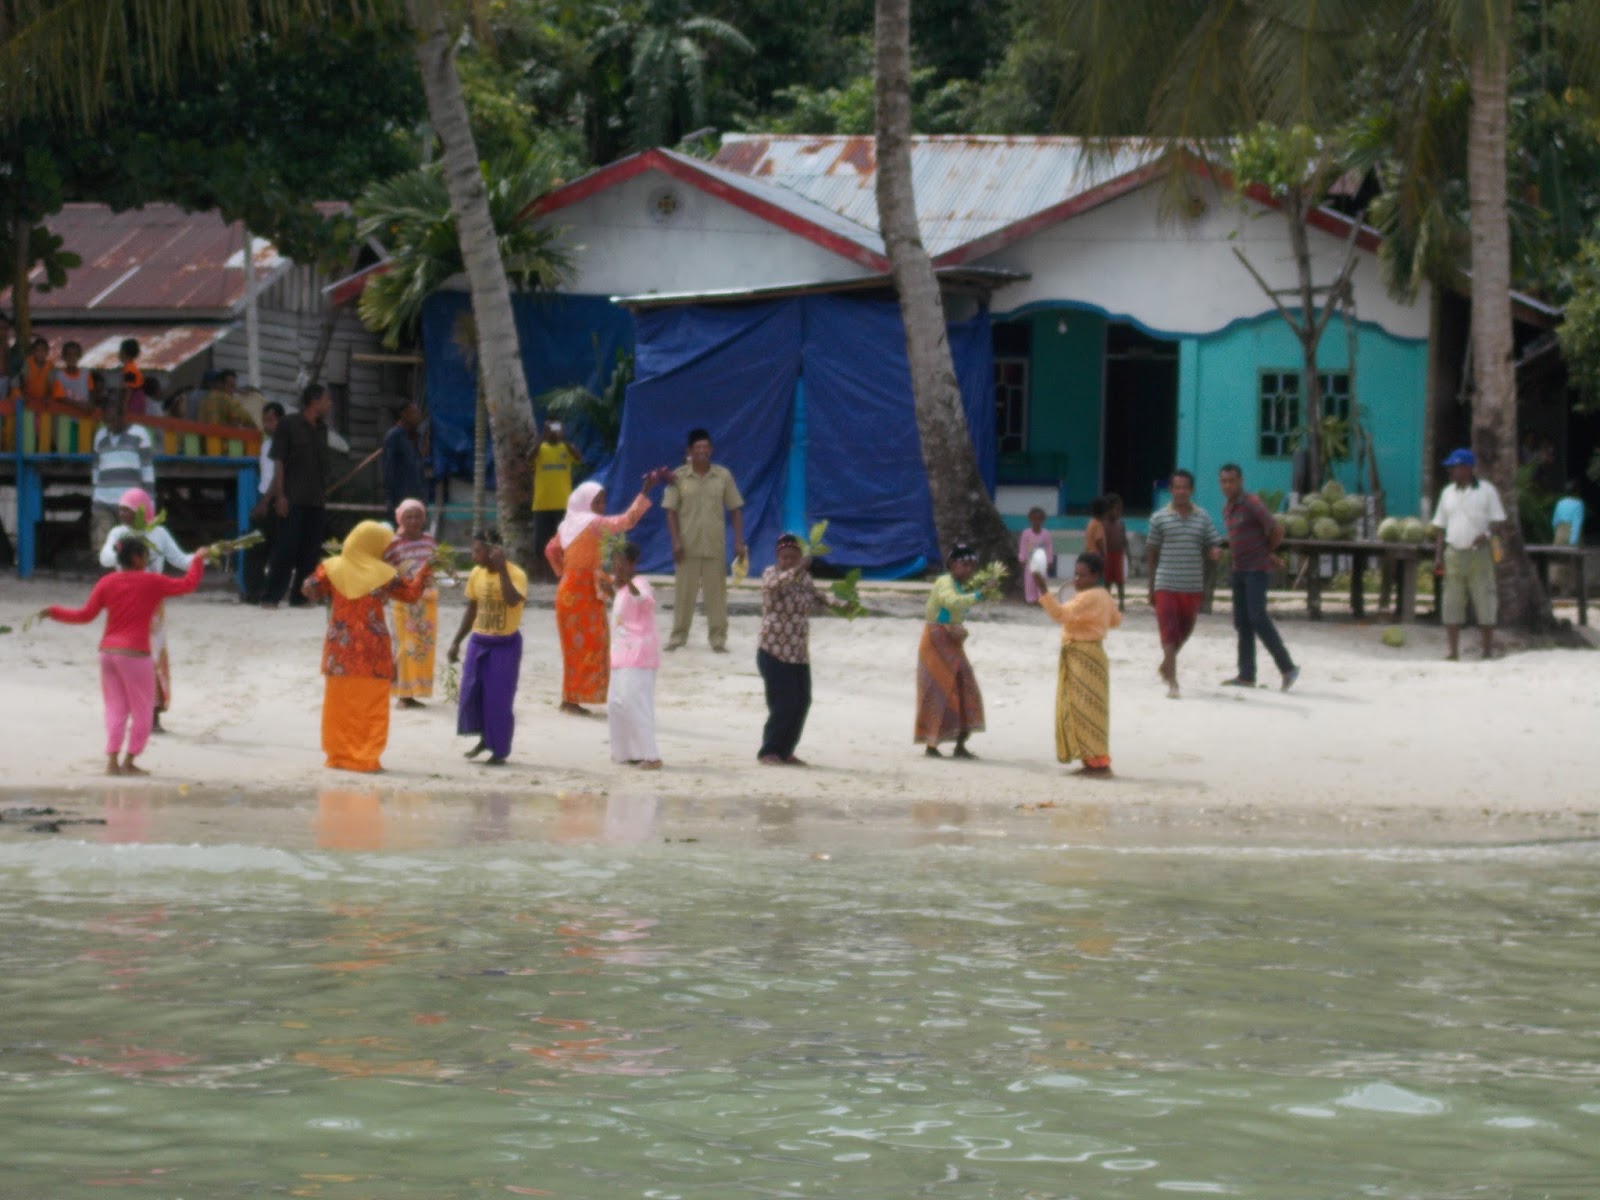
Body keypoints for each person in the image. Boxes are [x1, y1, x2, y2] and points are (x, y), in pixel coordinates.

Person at [38, 533, 208, 775]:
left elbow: (84, 615)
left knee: (115, 709)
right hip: (135, 654)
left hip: (107, 653)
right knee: (142, 710)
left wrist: (54, 612)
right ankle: (129, 762)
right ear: (137, 558)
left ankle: (111, 762)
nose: (148, 560)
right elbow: (187, 585)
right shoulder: (151, 582)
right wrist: (198, 560)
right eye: (146, 556)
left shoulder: (106, 583)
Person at [302, 520, 432, 773]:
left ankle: (338, 755)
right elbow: (411, 594)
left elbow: (310, 590)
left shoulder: (331, 567)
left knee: (339, 704)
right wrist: (424, 572)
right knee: (371, 705)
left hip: (339, 648)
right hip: (373, 648)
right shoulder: (383, 573)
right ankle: (366, 756)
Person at [545, 471, 670, 715]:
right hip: (585, 594)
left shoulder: (566, 524)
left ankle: (570, 697)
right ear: (586, 502)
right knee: (594, 644)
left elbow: (550, 550)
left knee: (574, 647)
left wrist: (565, 573)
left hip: (568, 591)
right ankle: (574, 698)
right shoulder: (593, 524)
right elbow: (628, 520)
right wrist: (645, 491)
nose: (602, 506)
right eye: (598, 501)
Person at [97, 487, 195, 730]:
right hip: (125, 603)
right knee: (128, 655)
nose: (121, 514)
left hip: (152, 605)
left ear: (141, 511)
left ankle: (153, 713)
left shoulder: (158, 533)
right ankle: (131, 710)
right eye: (120, 509)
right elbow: (105, 558)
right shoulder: (119, 533)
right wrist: (123, 549)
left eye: (127, 510)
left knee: (153, 656)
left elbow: (181, 560)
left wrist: (204, 556)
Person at [757, 531, 845, 765]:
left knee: (802, 701)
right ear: (778, 558)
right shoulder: (770, 574)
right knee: (783, 702)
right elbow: (773, 586)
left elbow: (820, 598)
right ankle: (769, 750)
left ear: (799, 557)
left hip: (798, 653)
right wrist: (797, 570)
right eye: (784, 558)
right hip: (773, 650)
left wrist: (844, 606)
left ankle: (786, 751)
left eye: (793, 558)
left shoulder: (805, 580)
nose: (787, 562)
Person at [1032, 551, 1122, 776]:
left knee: (1082, 708)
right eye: (1076, 575)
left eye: (1081, 576)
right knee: (1094, 710)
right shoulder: (1104, 595)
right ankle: (1097, 760)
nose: (1076, 580)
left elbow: (1059, 614)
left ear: (1095, 576)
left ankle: (1095, 763)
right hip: (1096, 654)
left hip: (1081, 655)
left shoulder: (1088, 597)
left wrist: (1043, 589)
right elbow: (1115, 621)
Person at [448, 528, 527, 766]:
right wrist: (456, 641)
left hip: (505, 645)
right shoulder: (476, 574)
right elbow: (472, 608)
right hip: (478, 641)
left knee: (499, 699)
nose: (474, 556)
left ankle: (499, 749)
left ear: (494, 552)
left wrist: (502, 569)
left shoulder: (516, 574)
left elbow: (513, 600)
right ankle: (484, 738)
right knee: (473, 693)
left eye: (478, 550)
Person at [663, 428, 746, 652]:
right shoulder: (678, 477)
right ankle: (678, 637)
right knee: (683, 593)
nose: (701, 451)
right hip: (686, 546)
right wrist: (675, 542)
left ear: (711, 449)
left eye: (705, 447)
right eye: (697, 447)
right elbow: (670, 511)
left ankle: (718, 639)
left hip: (714, 545)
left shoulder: (723, 476)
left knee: (716, 594)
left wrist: (739, 541)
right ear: (690, 451)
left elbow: (736, 508)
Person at [1218, 463, 1299, 691]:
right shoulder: (1228, 508)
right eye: (1223, 481)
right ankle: (1246, 675)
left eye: (1231, 481)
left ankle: (1288, 668)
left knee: (1257, 618)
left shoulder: (1252, 503)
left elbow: (1276, 530)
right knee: (1242, 623)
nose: (1227, 485)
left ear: (1240, 481)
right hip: (1238, 571)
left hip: (1255, 571)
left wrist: (1267, 552)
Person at [1146, 468, 1221, 699]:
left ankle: (1166, 664)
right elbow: (1152, 553)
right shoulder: (1159, 518)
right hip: (1165, 583)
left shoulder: (1203, 517)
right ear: (1170, 490)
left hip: (1192, 585)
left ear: (1191, 490)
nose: (1180, 492)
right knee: (1168, 631)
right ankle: (1173, 682)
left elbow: (1213, 542)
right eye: (1176, 487)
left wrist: (1215, 551)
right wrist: (1151, 586)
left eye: (1185, 488)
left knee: (1185, 630)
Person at [1431, 447, 1508, 661]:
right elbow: (1440, 527)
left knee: (1485, 599)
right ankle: (1452, 651)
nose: (1451, 472)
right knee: (1451, 601)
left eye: (1454, 467)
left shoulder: (1486, 491)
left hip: (1480, 553)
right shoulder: (1447, 493)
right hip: (1454, 552)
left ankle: (1487, 650)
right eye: (1450, 468)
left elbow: (1498, 521)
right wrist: (1438, 556)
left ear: (1467, 468)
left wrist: (1485, 534)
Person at [915, 544, 991, 759]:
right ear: (951, 565)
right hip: (936, 642)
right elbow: (952, 603)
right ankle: (931, 744)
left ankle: (960, 743)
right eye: (964, 565)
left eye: (972, 566)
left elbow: (956, 610)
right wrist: (979, 595)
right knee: (938, 691)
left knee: (965, 689)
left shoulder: (960, 585)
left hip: (952, 643)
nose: (969, 570)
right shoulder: (944, 582)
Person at [261, 383, 332, 608]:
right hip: (292, 498)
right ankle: (271, 597)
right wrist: (280, 496)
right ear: (315, 400)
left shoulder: (322, 429)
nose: (329, 404)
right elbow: (279, 462)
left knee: (310, 552)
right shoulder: (289, 425)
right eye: (327, 400)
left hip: (316, 499)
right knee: (285, 549)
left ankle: (300, 596)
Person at [604, 542, 663, 770]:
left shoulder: (640, 583)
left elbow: (644, 601)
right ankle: (625, 752)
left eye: (621, 562)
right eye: (614, 562)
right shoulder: (621, 589)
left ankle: (651, 755)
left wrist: (627, 581)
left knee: (636, 703)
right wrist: (612, 590)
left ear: (631, 564)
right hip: (620, 656)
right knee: (616, 705)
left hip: (638, 655)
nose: (616, 566)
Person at [385, 499, 438, 709]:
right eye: (409, 517)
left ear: (424, 518)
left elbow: (435, 566)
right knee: (405, 646)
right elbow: (386, 570)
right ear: (400, 519)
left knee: (423, 646)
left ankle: (415, 691)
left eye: (418, 516)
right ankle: (402, 693)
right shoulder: (392, 543)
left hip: (427, 602)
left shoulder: (430, 541)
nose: (414, 521)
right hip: (402, 601)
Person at [90, 395, 155, 553]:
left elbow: (147, 470)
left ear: (122, 416)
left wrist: (150, 501)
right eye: (107, 421)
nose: (110, 425)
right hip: (103, 501)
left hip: (130, 505)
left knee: (129, 548)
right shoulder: (100, 436)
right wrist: (95, 494)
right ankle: (106, 577)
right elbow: (96, 469)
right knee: (102, 548)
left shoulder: (140, 435)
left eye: (113, 420)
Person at [531, 419, 583, 581]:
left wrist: (564, 441)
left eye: (557, 429)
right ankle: (545, 575)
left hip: (563, 504)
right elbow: (528, 458)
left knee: (564, 541)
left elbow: (578, 458)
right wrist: (540, 439)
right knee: (542, 543)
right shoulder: (540, 449)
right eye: (550, 429)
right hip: (542, 504)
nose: (554, 432)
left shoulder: (566, 448)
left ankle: (562, 574)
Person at [243, 402, 285, 604]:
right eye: (265, 420)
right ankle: (255, 589)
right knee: (259, 545)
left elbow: (278, 475)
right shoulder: (266, 444)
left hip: (273, 499)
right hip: (265, 496)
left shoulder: (282, 444)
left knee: (261, 546)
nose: (267, 424)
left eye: (270, 419)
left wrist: (265, 502)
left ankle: (258, 590)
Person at [382, 400, 427, 516]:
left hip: (416, 496)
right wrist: (391, 499)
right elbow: (388, 469)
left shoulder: (412, 437)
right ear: (405, 414)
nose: (418, 417)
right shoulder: (394, 436)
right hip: (401, 499)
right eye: (414, 413)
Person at [7, 336, 66, 405]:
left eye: (43, 350)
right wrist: (24, 395)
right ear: (33, 352)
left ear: (47, 352)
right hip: (27, 394)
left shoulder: (51, 365)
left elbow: (50, 384)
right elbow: (22, 380)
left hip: (43, 396)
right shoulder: (28, 362)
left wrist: (47, 397)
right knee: (15, 387)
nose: (41, 353)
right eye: (38, 350)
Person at [1017, 507, 1056, 605]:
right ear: (1030, 519)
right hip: (1030, 562)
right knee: (1030, 582)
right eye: (1034, 519)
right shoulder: (1026, 533)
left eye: (1039, 519)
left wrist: (1050, 561)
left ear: (1043, 520)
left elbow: (1049, 548)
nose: (1036, 522)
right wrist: (1022, 559)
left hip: (1042, 562)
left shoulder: (1046, 534)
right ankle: (1031, 599)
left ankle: (1041, 599)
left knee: (1041, 581)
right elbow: (1023, 547)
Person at [1101, 493, 1128, 611]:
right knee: (1107, 581)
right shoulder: (1103, 524)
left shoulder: (1121, 524)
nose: (1118, 512)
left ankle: (1122, 603)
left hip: (1118, 555)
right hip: (1107, 555)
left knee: (1119, 581)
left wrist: (1129, 556)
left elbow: (1124, 540)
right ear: (1108, 509)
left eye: (1120, 510)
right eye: (1116, 509)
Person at [117, 338, 148, 416]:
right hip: (136, 398)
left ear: (124, 352)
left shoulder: (129, 368)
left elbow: (129, 389)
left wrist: (124, 408)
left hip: (133, 400)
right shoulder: (130, 367)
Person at [58, 340, 92, 409]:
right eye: (69, 354)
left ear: (80, 356)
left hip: (83, 414)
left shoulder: (86, 373)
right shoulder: (58, 375)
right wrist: (78, 405)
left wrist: (90, 406)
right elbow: (59, 397)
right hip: (65, 413)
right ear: (63, 356)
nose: (71, 357)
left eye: (75, 354)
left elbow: (91, 393)